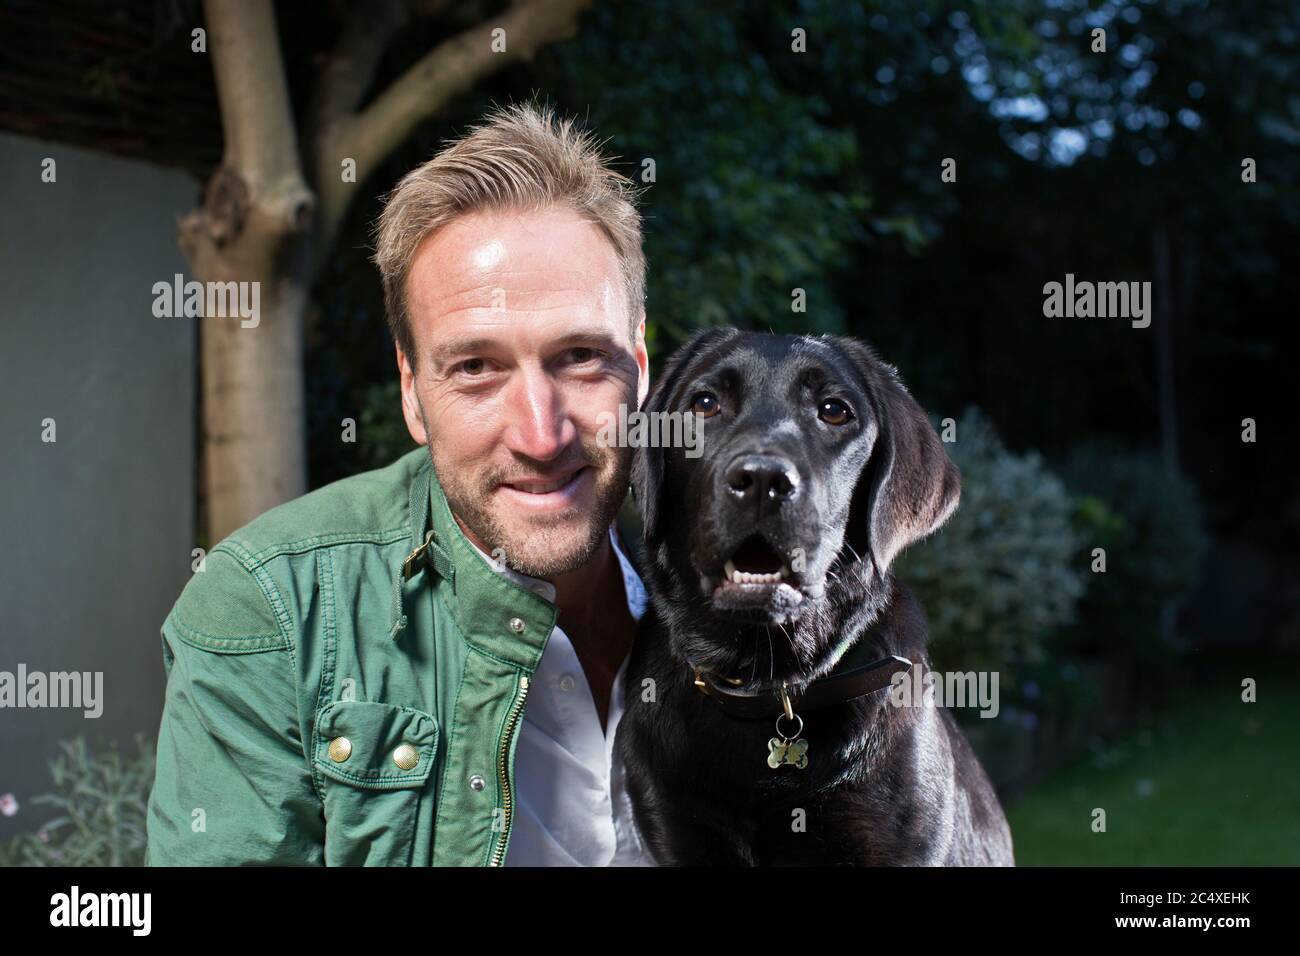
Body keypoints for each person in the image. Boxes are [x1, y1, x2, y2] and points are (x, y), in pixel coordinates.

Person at [145, 101, 656, 866]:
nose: (540, 434)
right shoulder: (272, 609)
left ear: (640, 369)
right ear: (412, 392)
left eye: (580, 355)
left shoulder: (749, 594)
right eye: (476, 368)